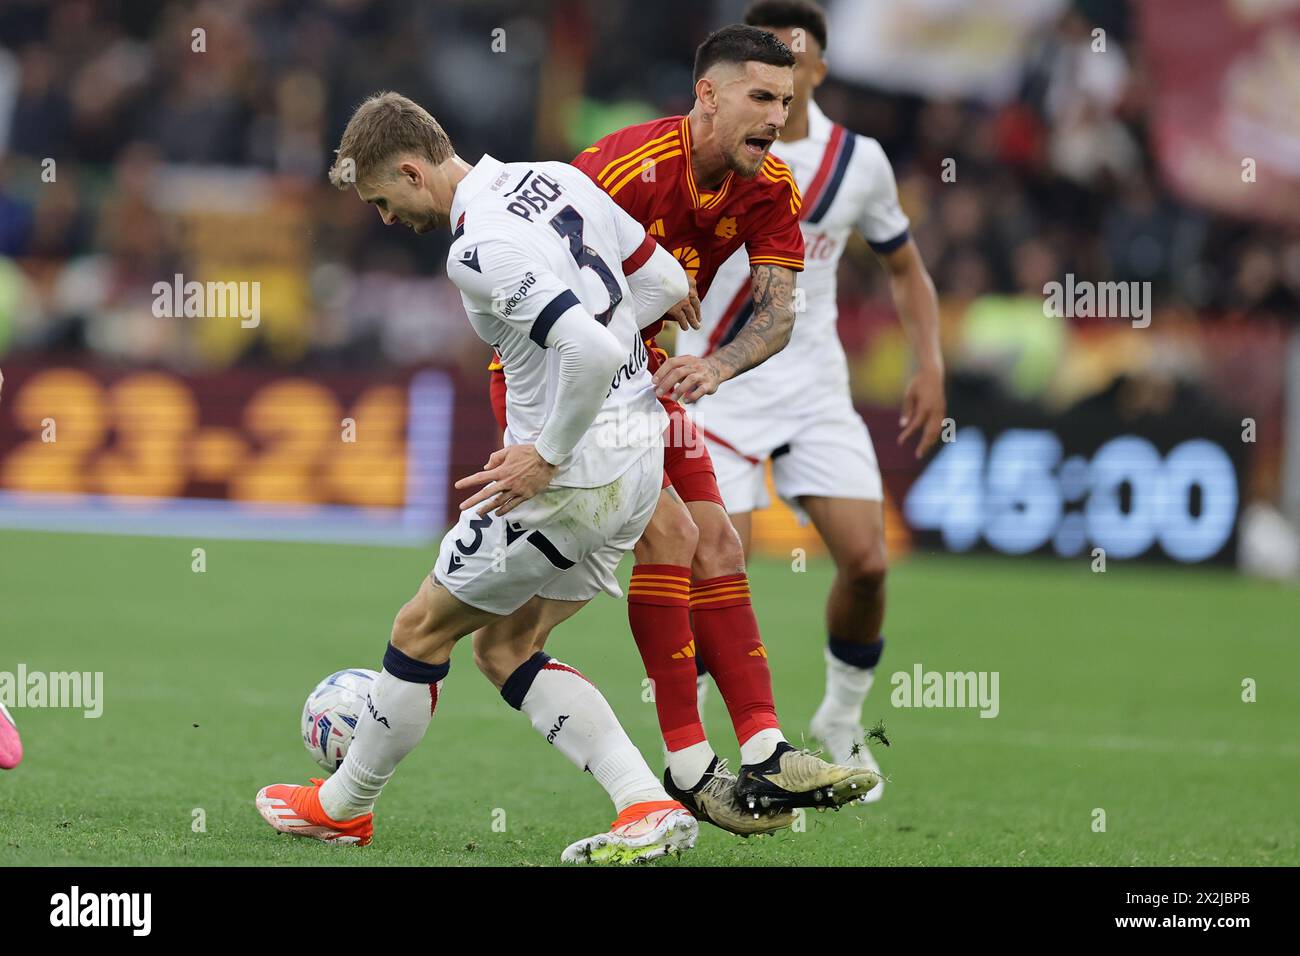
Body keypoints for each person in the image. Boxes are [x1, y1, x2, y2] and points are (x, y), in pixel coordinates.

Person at [255, 91, 702, 864]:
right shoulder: (554, 177)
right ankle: (646, 806)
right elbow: (664, 282)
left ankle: (342, 807)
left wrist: (548, 452)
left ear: (409, 169)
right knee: (505, 647)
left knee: (418, 630)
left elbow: (588, 354)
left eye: (383, 202)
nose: (387, 220)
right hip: (638, 454)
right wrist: (622, 370)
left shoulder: (476, 247)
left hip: (571, 476)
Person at [477, 24, 879, 831]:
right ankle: (690, 764)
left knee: (718, 542)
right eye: (761, 98)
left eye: (788, 102)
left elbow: (778, 310)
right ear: (707, 94)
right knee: (662, 542)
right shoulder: (624, 166)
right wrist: (642, 290)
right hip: (562, 390)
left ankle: (763, 751)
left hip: (644, 386)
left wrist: (719, 365)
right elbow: (522, 272)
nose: (777, 119)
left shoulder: (768, 187)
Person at [678, 0, 946, 800]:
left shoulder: (857, 162)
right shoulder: (706, 145)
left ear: (818, 70)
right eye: (763, 65)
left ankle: (838, 717)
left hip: (814, 389)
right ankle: (693, 755)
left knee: (867, 562)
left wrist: (928, 361)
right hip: (715, 387)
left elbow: (903, 265)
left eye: (792, 61)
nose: (777, 81)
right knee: (717, 575)